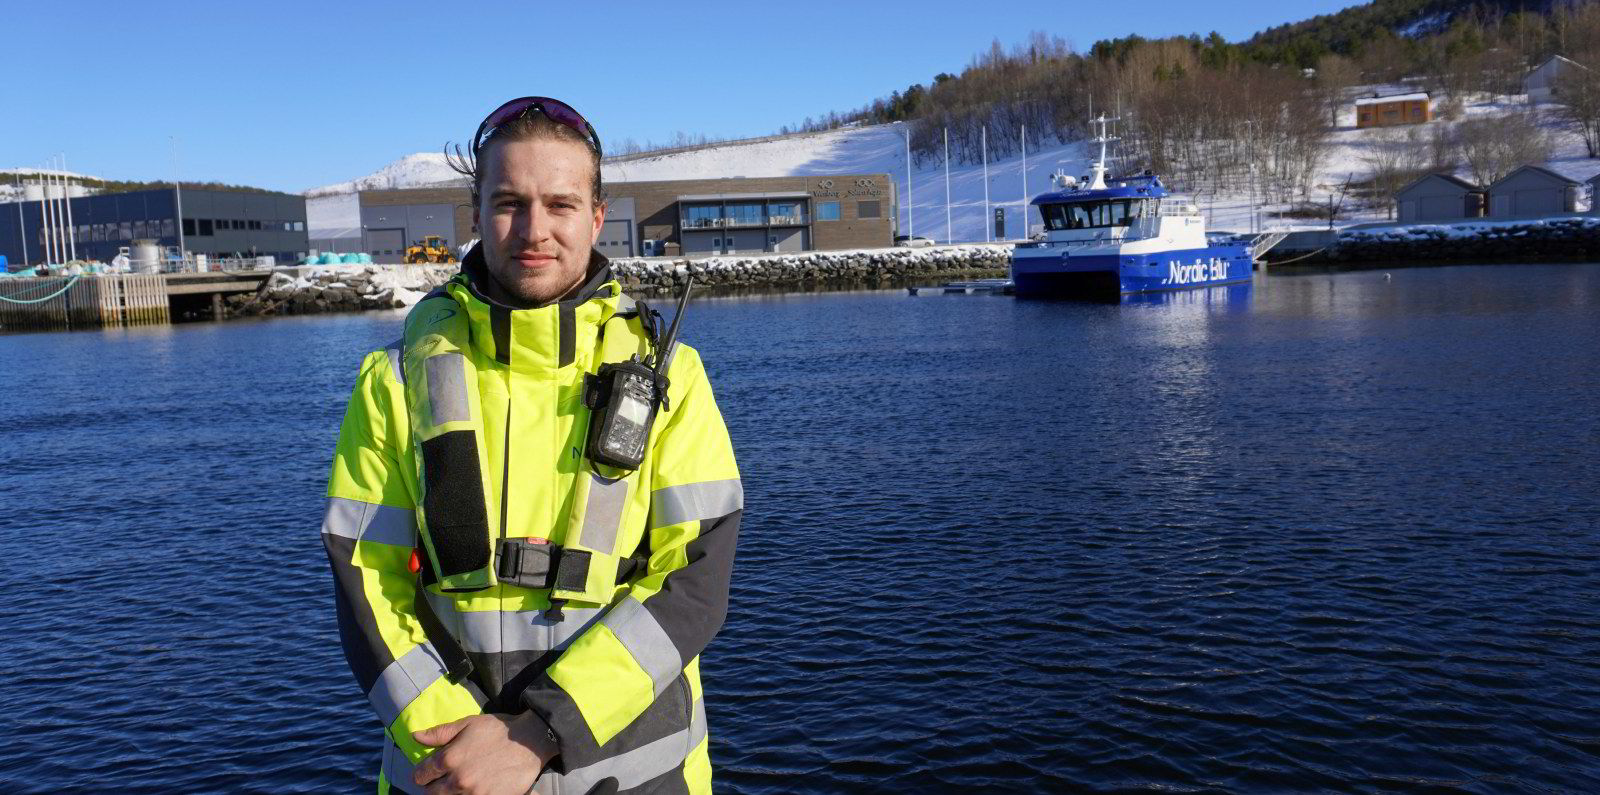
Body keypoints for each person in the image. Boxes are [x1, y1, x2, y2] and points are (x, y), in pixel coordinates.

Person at [321, 96, 742, 795]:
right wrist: (457, 744)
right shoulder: (392, 380)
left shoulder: (674, 376)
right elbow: (366, 576)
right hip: (449, 776)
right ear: (477, 213)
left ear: (598, 216)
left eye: (561, 204)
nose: (534, 229)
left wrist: (538, 732)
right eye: (510, 202)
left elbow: (692, 580)